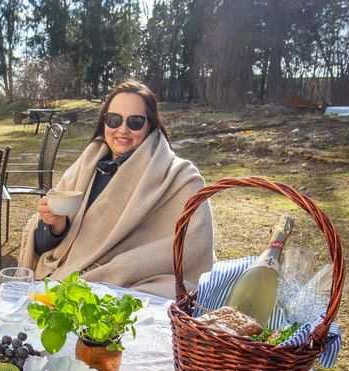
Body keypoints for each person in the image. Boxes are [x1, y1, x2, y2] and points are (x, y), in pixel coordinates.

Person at [18, 81, 214, 298]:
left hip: (129, 288)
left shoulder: (180, 179)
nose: (122, 130)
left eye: (135, 122)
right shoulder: (86, 165)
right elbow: (47, 247)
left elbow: (195, 248)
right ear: (104, 122)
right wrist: (56, 226)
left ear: (150, 124)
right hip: (66, 277)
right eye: (114, 120)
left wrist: (123, 266)